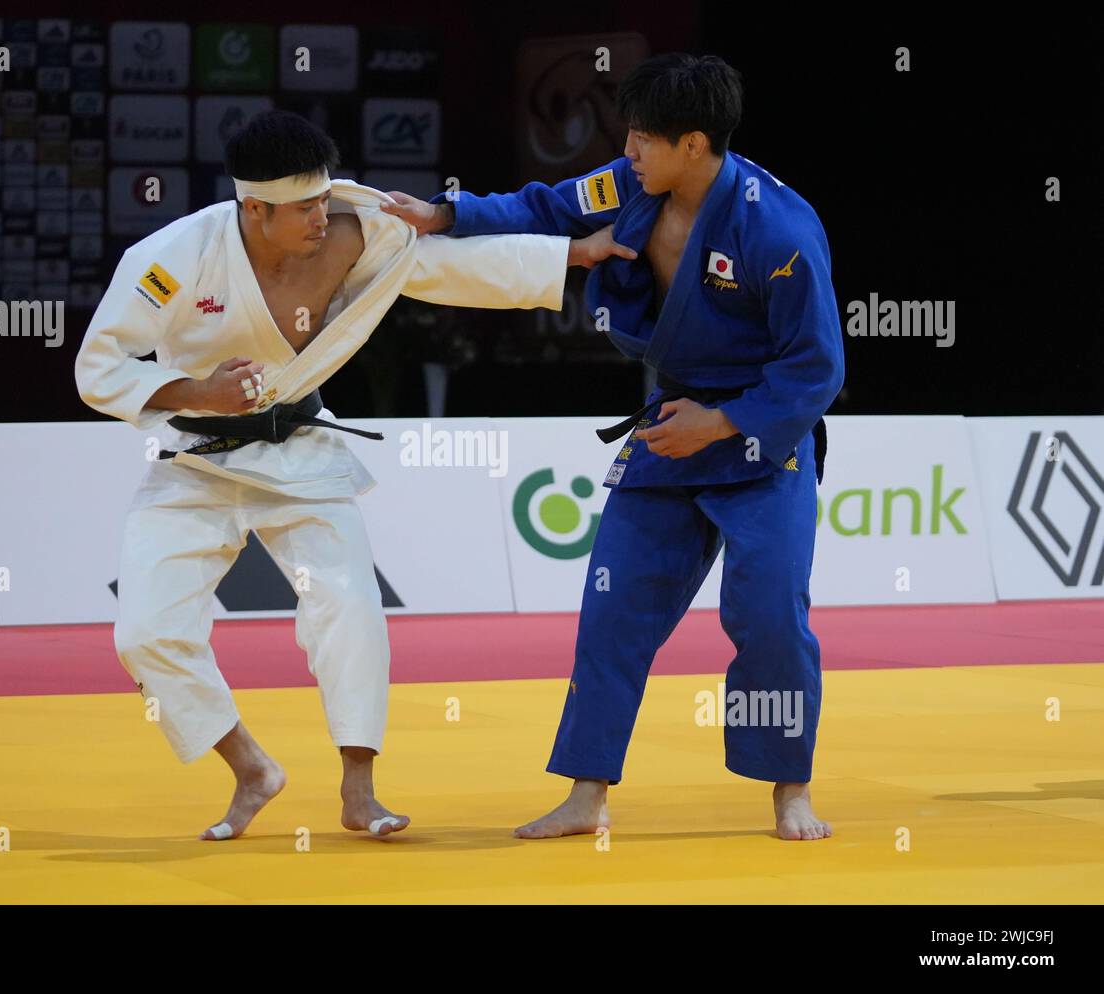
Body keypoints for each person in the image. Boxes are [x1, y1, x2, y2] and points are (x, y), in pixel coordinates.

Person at [75, 110, 627, 842]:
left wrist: (572, 255)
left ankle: (360, 792)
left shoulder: (353, 233)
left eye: (323, 199)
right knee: (144, 632)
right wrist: (195, 391)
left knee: (350, 610)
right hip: (196, 457)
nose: (318, 216)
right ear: (254, 208)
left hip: (298, 447)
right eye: (301, 208)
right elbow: (98, 367)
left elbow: (445, 269)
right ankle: (250, 767)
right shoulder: (172, 256)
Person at [383, 54, 844, 841]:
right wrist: (443, 216)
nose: (626, 153)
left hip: (766, 438)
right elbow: (542, 206)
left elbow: (818, 368)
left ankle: (788, 790)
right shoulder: (632, 184)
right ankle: (586, 792)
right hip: (670, 425)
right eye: (627, 137)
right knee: (611, 611)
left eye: (643, 141)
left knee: (768, 614)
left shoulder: (780, 230)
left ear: (694, 144)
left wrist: (727, 422)